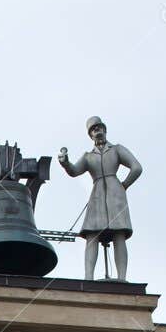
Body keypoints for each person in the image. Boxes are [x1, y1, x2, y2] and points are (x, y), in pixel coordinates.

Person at [58, 117, 142, 281]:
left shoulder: (116, 149)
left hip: (115, 193)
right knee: (92, 233)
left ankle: (122, 277)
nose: (97, 130)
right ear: (90, 135)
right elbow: (74, 171)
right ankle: (88, 277)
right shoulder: (88, 156)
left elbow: (137, 167)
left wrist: (124, 185)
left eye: (99, 127)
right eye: (93, 129)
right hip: (97, 195)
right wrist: (65, 163)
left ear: (105, 129)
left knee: (119, 233)